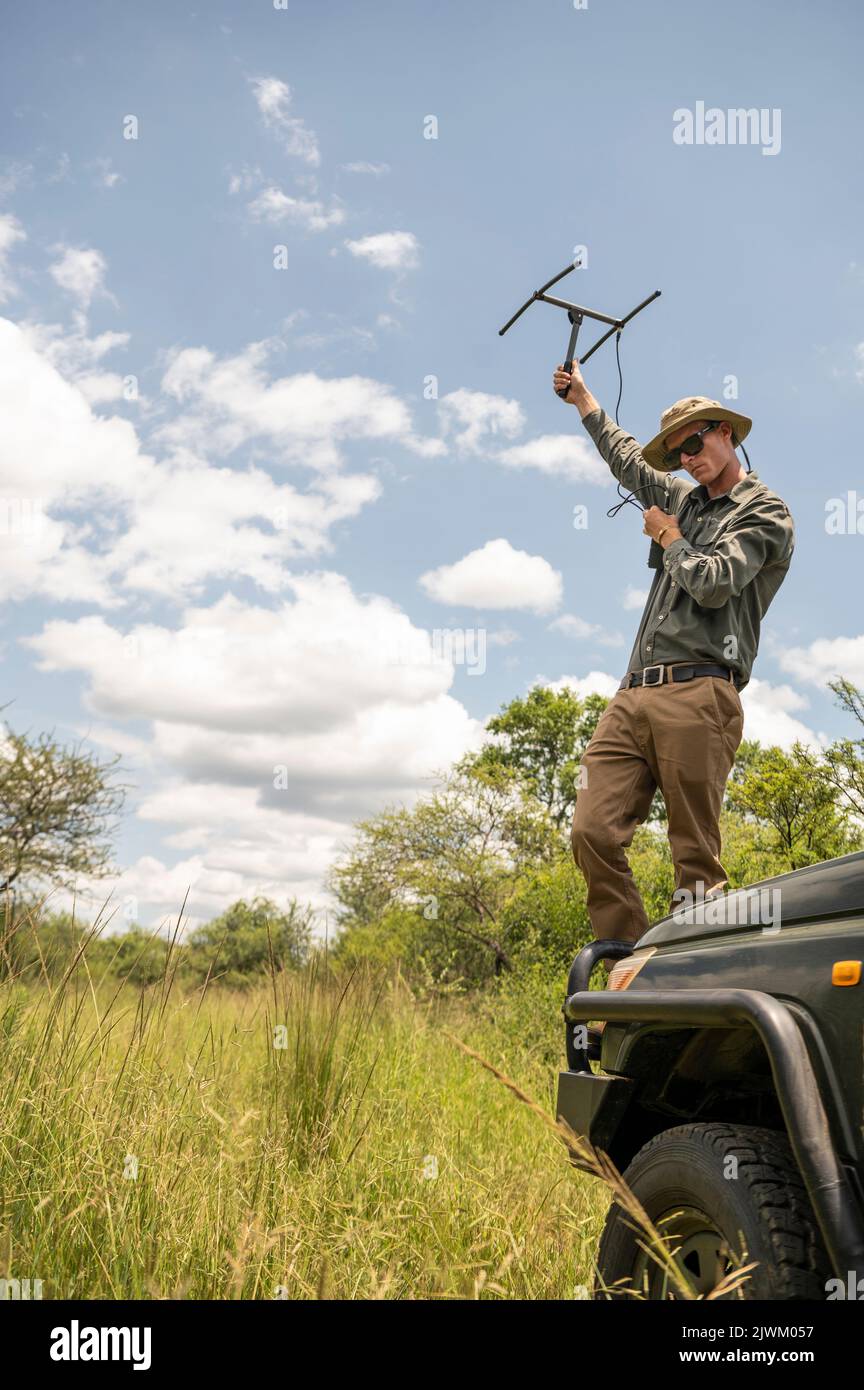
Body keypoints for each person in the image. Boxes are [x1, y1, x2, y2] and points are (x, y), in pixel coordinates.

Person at [552, 359, 794, 955]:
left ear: (725, 434)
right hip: (633, 693)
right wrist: (584, 400)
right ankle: (631, 968)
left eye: (695, 442)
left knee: (694, 860)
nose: (687, 457)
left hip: (701, 691)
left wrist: (667, 536)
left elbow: (713, 582)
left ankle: (692, 981)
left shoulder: (763, 512)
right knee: (591, 832)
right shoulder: (683, 502)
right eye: (679, 452)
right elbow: (629, 460)